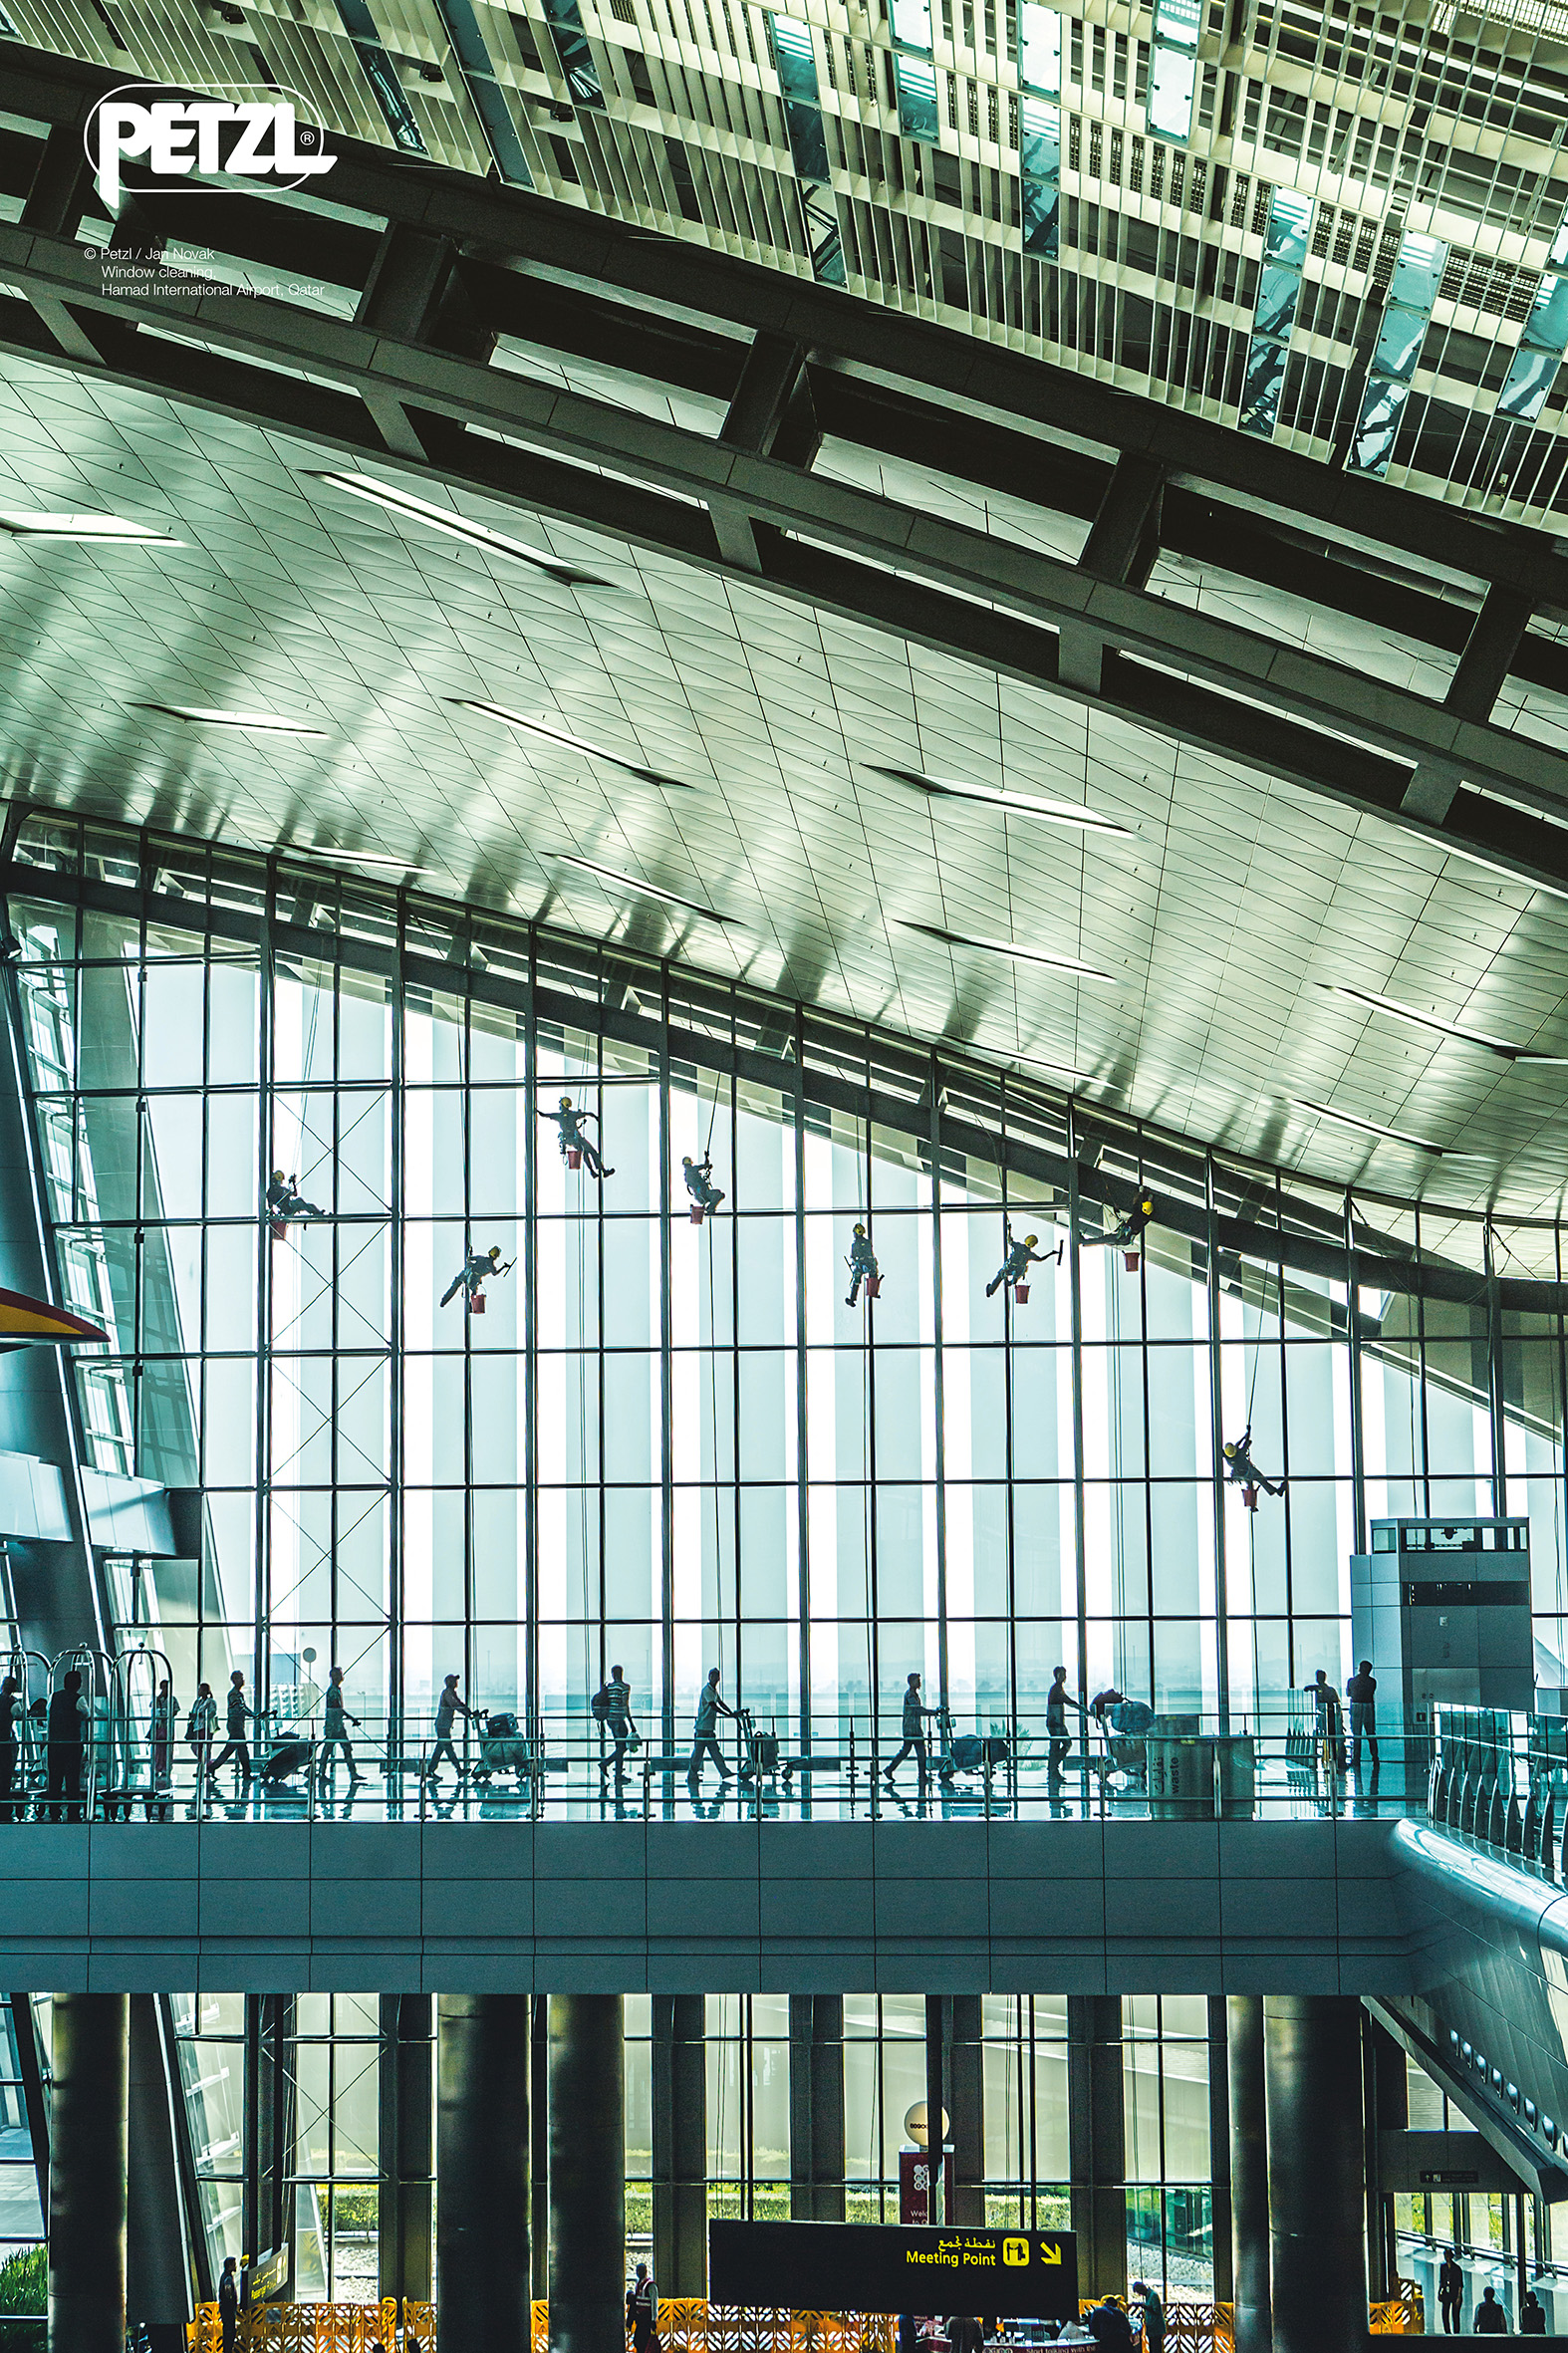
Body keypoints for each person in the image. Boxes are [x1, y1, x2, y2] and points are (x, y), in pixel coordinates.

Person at [46, 1669, 87, 1821]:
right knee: (72, 1779)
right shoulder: (79, 1699)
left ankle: (54, 1811)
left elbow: (49, 1712)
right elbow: (86, 1714)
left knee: (55, 1779)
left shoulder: (53, 1697)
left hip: (54, 1744)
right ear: (78, 1684)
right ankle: (73, 1812)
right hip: (72, 1745)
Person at [885, 1671, 936, 1790]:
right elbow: (917, 1710)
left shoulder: (912, 1694)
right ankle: (921, 1775)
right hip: (912, 1730)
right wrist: (932, 1712)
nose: (919, 1683)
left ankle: (890, 1769)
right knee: (918, 1752)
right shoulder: (910, 1696)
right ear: (911, 1682)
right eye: (917, 1681)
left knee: (908, 1752)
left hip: (912, 1728)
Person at [544, 1096, 613, 1178]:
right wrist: (595, 1117)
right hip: (576, 1138)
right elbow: (588, 1113)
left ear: (562, 1105)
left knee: (586, 1152)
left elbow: (545, 1115)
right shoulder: (573, 1114)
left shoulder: (560, 1116)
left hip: (571, 1139)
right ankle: (600, 1171)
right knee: (590, 1151)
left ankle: (595, 1172)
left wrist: (535, 1111)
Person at [986, 1221, 1057, 1299]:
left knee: (1000, 1275)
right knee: (1020, 1270)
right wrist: (1051, 1253)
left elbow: (1009, 1241)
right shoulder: (1030, 1254)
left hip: (1010, 1267)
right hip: (1018, 1270)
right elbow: (1040, 1259)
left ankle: (991, 1290)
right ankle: (1012, 1281)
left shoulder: (1018, 1246)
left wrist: (1009, 1230)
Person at [688, 1668, 734, 1786]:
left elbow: (721, 1703)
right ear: (710, 1677)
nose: (716, 1678)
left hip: (708, 1729)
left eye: (717, 1676)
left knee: (714, 1753)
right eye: (714, 1676)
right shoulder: (707, 1691)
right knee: (699, 1754)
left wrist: (731, 1713)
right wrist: (728, 1715)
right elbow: (714, 1706)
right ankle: (692, 1775)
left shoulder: (713, 1691)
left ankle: (725, 1773)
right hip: (703, 1728)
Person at [319, 1667, 362, 1785]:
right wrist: (352, 1719)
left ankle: (323, 1773)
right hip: (334, 1727)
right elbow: (337, 1710)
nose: (342, 1676)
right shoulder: (333, 1691)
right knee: (338, 1749)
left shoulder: (335, 1690)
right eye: (339, 1674)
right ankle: (323, 1773)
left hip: (335, 1726)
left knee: (333, 1750)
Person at [425, 1675, 472, 1782]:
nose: (457, 1683)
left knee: (440, 1749)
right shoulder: (448, 1693)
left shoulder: (450, 1693)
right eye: (455, 1681)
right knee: (448, 1748)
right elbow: (456, 1705)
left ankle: (430, 1770)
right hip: (443, 1726)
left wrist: (468, 1712)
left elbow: (459, 1703)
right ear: (450, 1682)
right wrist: (468, 1713)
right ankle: (459, 1770)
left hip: (443, 1726)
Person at [598, 1666, 637, 1787]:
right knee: (623, 1747)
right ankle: (606, 1763)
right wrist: (631, 1723)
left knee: (619, 1746)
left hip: (610, 1720)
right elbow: (625, 1705)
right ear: (621, 1674)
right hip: (619, 1720)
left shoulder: (609, 1688)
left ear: (613, 1674)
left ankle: (618, 1775)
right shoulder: (624, 1687)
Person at [212, 1671, 253, 1785]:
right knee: (239, 1750)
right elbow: (240, 1709)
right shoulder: (234, 1694)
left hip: (237, 1725)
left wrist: (253, 1714)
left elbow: (244, 1707)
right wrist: (253, 1715)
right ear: (234, 1680)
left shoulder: (238, 1694)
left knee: (235, 1749)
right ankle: (246, 1772)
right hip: (235, 1726)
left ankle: (213, 1768)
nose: (242, 1680)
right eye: (240, 1678)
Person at [1222, 1426, 1284, 1499]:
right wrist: (1248, 1432)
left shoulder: (1228, 1458)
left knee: (1250, 1486)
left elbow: (1238, 1444)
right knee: (1262, 1480)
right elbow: (1245, 1441)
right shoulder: (1240, 1453)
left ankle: (1252, 1502)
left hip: (1240, 1474)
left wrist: (1245, 1435)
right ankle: (1275, 1491)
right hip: (1249, 1471)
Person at [1081, 1191, 1155, 1252]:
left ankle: (1085, 1242)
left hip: (1122, 1238)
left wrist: (1140, 1193)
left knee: (1104, 1240)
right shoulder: (1146, 1218)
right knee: (1104, 1240)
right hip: (1124, 1239)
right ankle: (1085, 1243)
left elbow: (1135, 1202)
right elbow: (1146, 1206)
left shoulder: (1138, 1215)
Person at [1047, 1665, 1082, 1784]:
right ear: (1056, 1676)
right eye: (1061, 1674)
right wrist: (1082, 1709)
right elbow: (1067, 1700)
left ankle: (1053, 1769)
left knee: (1056, 1746)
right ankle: (1053, 1768)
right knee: (1065, 1744)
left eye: (1064, 1674)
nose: (1063, 1677)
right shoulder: (1056, 1689)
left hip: (1057, 1723)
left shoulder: (1058, 1688)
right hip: (1056, 1724)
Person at [440, 1242, 503, 1308]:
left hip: (468, 1273)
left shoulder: (481, 1258)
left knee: (456, 1285)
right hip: (474, 1279)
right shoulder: (491, 1267)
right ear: (495, 1257)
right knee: (474, 1292)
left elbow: (470, 1258)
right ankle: (472, 1306)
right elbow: (495, 1273)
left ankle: (444, 1302)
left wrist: (470, 1255)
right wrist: (503, 1267)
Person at [1346, 1658, 1379, 1774]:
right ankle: (1375, 1757)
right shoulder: (1372, 1681)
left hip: (1356, 1706)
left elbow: (1348, 1693)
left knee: (1357, 1735)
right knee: (1371, 1734)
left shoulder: (1352, 1681)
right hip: (1368, 1706)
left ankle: (1356, 1758)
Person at [1311, 1669, 1344, 1772]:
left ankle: (1332, 1758)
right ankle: (1332, 1758)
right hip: (1329, 1717)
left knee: (1329, 1738)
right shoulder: (1328, 1690)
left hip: (1329, 1718)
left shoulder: (1325, 1690)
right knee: (1331, 1738)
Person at [187, 1682, 217, 1791]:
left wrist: (200, 1715)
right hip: (197, 1727)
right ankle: (203, 1765)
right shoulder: (197, 1702)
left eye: (201, 1689)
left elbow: (211, 1713)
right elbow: (193, 1712)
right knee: (196, 1747)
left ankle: (206, 1767)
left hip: (206, 1728)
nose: (199, 1691)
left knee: (205, 1748)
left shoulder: (211, 1702)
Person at [149, 1678, 176, 1787]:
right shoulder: (157, 1699)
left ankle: (166, 1767)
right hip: (158, 1726)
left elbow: (175, 1711)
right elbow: (152, 1706)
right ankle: (157, 1767)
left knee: (167, 1748)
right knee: (157, 1748)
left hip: (167, 1727)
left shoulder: (172, 1699)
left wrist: (167, 1716)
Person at [846, 1222, 880, 1307]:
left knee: (856, 1279)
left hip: (861, 1266)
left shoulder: (855, 1244)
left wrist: (854, 1263)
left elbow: (854, 1258)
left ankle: (852, 1299)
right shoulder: (868, 1242)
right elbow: (871, 1255)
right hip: (870, 1265)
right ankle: (873, 1292)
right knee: (873, 1274)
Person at [627, 2259, 656, 2353]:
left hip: (646, 2319)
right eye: (638, 2271)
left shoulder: (650, 2285)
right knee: (639, 2341)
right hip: (640, 2318)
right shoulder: (639, 2285)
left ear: (645, 2272)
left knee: (642, 2341)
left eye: (641, 2271)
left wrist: (653, 2320)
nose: (639, 2273)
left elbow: (654, 2303)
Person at [0, 1672, 18, 1822]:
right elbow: (20, 1713)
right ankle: (4, 1807)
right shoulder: (13, 1703)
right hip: (4, 1742)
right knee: (4, 1775)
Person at [1131, 2281, 1164, 2353]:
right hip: (1151, 2328)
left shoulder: (1153, 2296)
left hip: (1156, 2328)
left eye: (1139, 2292)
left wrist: (1144, 2306)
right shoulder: (1148, 2296)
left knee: (1156, 2348)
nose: (1140, 2294)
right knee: (1152, 2348)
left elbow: (1156, 2310)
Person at [1438, 2246, 1463, 2334]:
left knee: (1455, 2315)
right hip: (1446, 2292)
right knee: (1445, 2313)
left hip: (1454, 2292)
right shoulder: (1443, 2267)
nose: (1446, 2258)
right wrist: (1440, 2292)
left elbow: (1460, 2284)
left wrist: (1458, 2297)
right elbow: (1441, 2281)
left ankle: (1456, 2332)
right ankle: (1447, 2331)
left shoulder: (1457, 2268)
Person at [218, 2254, 240, 2353]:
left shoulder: (225, 2276)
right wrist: (230, 2299)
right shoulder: (227, 2278)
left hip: (226, 2308)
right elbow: (228, 2289)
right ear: (229, 2266)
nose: (235, 2266)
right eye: (234, 2264)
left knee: (228, 2331)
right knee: (230, 2332)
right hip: (228, 2309)